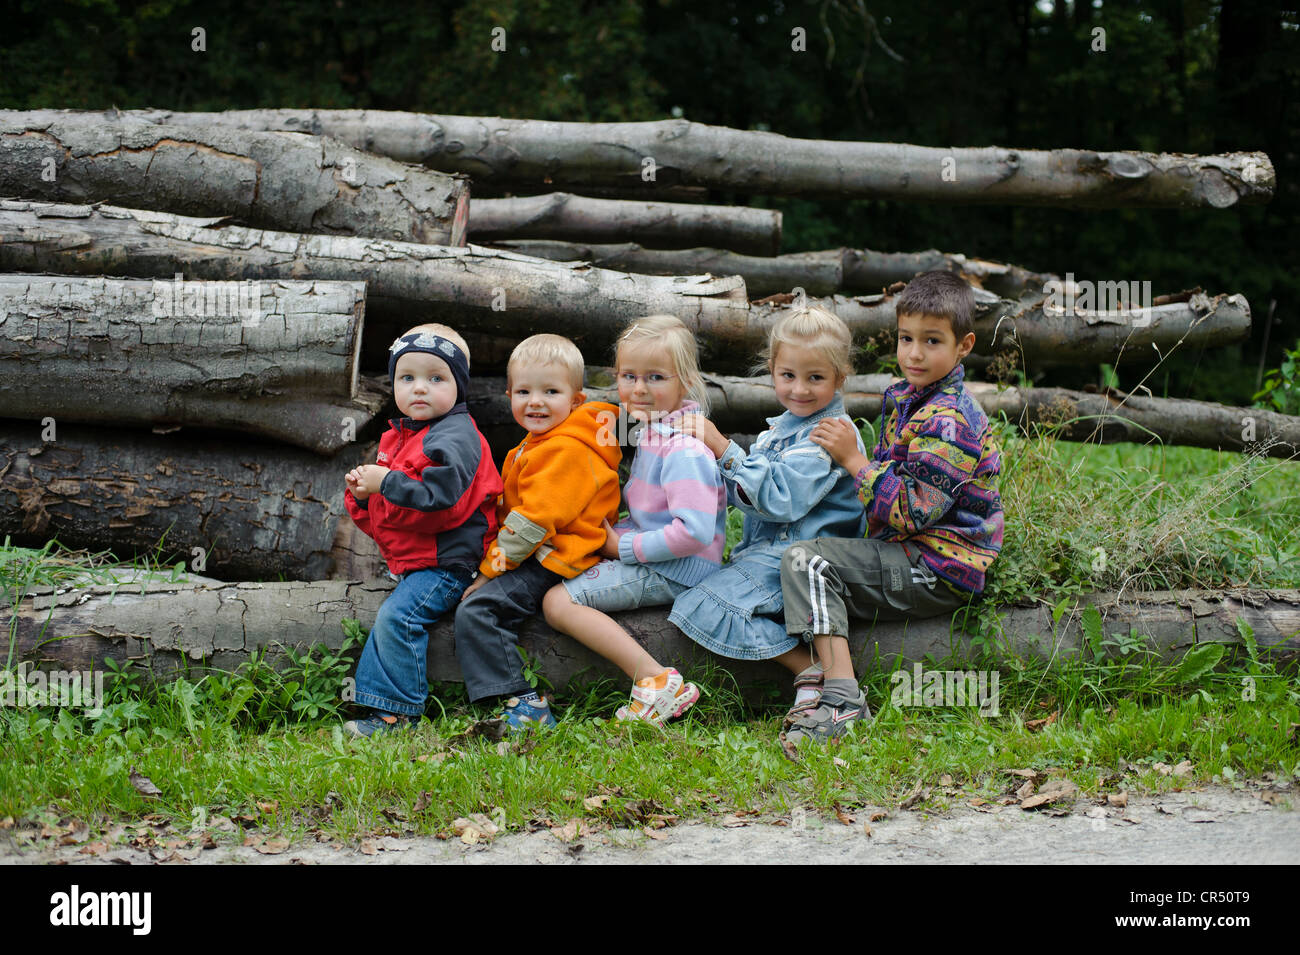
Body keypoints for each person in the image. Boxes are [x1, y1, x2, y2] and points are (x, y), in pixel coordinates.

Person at [778, 270, 1004, 749]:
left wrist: (853, 461)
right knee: (795, 562)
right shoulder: (907, 398)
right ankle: (820, 676)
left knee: (806, 561)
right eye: (906, 338)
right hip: (906, 552)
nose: (915, 353)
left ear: (964, 345)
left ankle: (841, 699)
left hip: (939, 565)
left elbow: (912, 511)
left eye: (932, 341)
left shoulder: (949, 421)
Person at [671, 306, 866, 726]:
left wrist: (722, 447)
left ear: (840, 377)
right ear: (772, 370)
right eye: (787, 375)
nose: (799, 389)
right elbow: (740, 491)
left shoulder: (825, 436)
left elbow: (778, 499)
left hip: (796, 563)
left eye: (815, 378)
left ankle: (809, 670)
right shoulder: (780, 429)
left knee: (705, 604)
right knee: (695, 584)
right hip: (763, 555)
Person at [542, 315, 726, 725]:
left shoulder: (684, 449)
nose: (639, 389)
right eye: (629, 376)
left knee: (558, 602)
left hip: (677, 568)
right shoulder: (653, 430)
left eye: (656, 377)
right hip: (657, 551)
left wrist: (619, 547)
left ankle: (656, 679)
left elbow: (693, 533)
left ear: (685, 382)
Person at [341, 324, 502, 738]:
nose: (420, 389)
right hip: (419, 561)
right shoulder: (399, 437)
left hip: (449, 562)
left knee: (398, 616)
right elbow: (389, 516)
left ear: (458, 386)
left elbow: (441, 497)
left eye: (436, 378)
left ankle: (396, 714)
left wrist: (386, 483)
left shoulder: (456, 436)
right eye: (407, 378)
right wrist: (363, 496)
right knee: (394, 608)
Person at [454, 333, 622, 730]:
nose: (535, 401)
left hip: (555, 555)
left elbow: (533, 522)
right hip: (539, 547)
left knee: (480, 609)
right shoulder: (540, 442)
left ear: (575, 400)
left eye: (551, 391)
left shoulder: (565, 450)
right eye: (524, 390)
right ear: (509, 393)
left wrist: (489, 572)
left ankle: (525, 704)